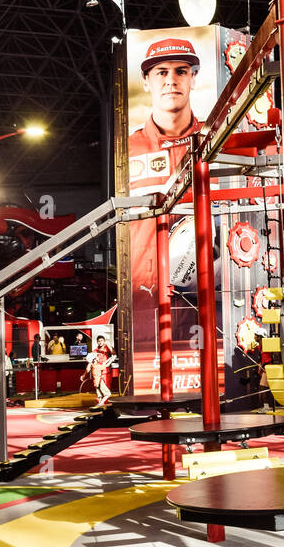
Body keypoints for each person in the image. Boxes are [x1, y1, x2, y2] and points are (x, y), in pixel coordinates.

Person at [127, 38, 208, 395]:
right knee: (151, 394)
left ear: (193, 78)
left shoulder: (215, 141)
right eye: (161, 72)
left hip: (211, 294)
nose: (170, 80)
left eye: (181, 71)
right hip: (146, 295)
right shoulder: (126, 149)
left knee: (210, 390)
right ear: (146, 81)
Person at [85, 335, 116, 407]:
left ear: (104, 341)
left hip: (106, 372)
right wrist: (84, 374)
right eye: (99, 341)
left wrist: (108, 344)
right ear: (97, 342)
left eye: (101, 341)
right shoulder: (95, 351)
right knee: (100, 391)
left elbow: (114, 353)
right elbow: (90, 363)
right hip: (98, 372)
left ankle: (104, 404)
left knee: (107, 388)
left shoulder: (107, 348)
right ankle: (101, 404)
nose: (100, 342)